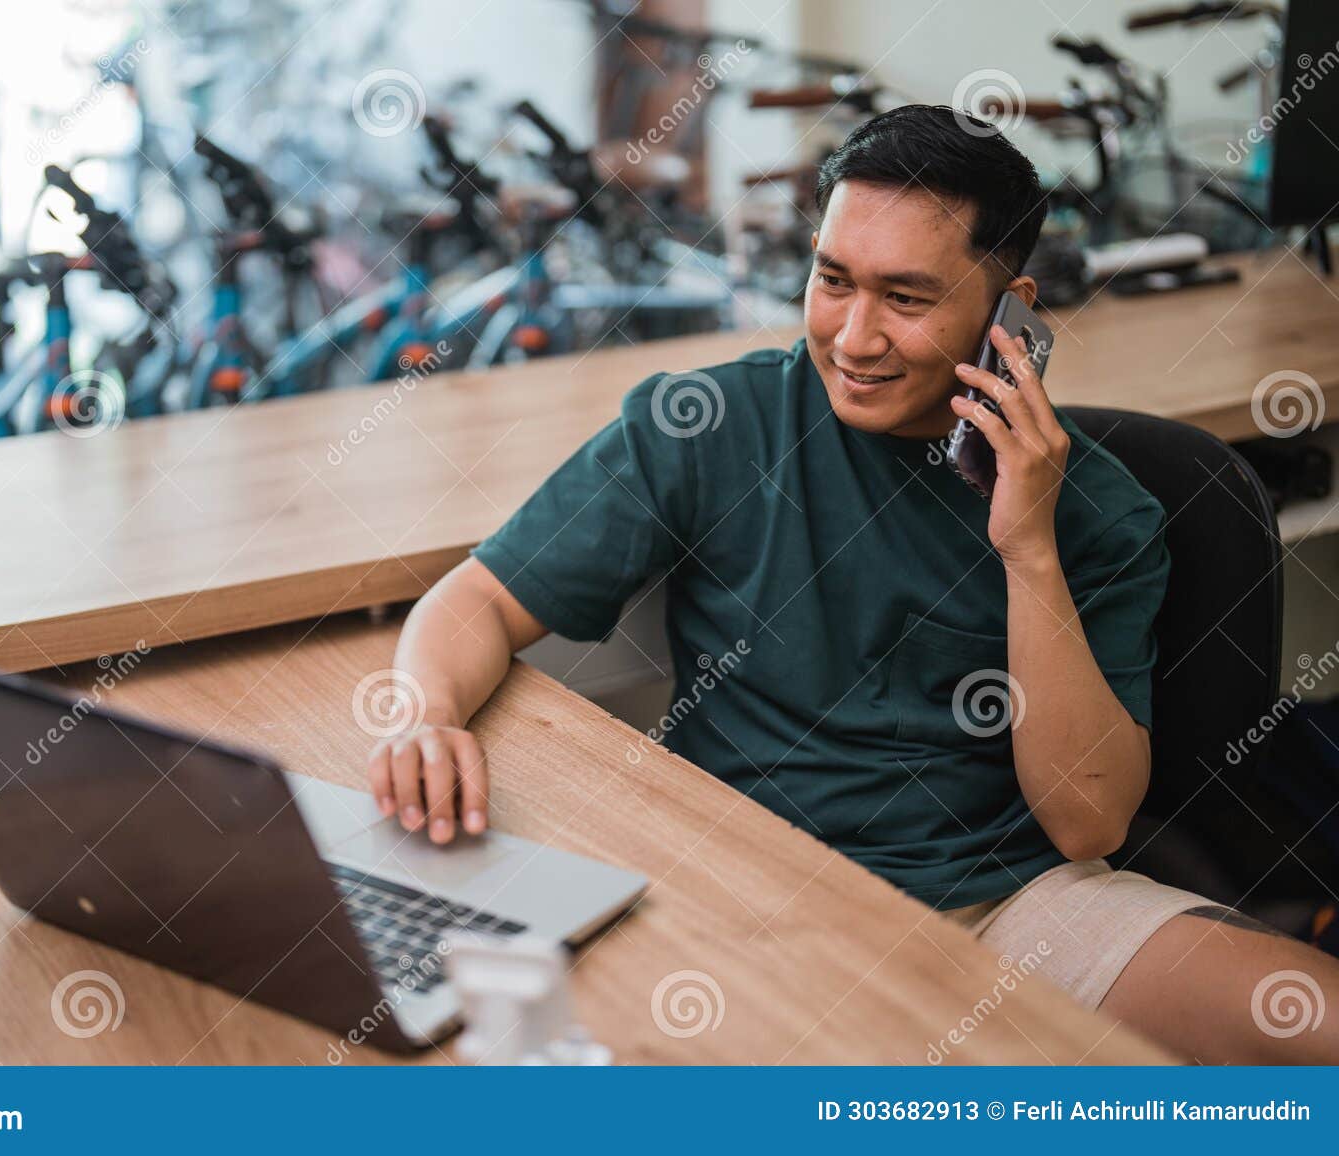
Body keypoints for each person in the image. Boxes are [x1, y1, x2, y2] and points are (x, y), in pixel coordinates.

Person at [363, 104, 1339, 1063]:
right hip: (744, 888)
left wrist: (1027, 545)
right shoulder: (710, 423)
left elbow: (1088, 819)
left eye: (905, 299)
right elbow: (479, 597)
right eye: (833, 280)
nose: (854, 336)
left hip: (1008, 901)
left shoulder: (1099, 510)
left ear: (1014, 314)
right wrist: (424, 714)